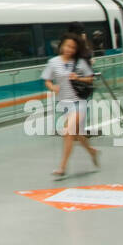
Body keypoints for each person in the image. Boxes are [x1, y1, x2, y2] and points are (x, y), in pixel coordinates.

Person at [41, 33, 98, 177]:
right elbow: (47, 79)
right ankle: (91, 151)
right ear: (61, 46)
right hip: (64, 103)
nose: (69, 49)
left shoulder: (79, 63)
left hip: (79, 102)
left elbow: (91, 79)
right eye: (67, 46)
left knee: (67, 132)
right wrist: (52, 87)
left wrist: (78, 77)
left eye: (73, 47)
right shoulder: (53, 62)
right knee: (77, 133)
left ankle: (62, 167)